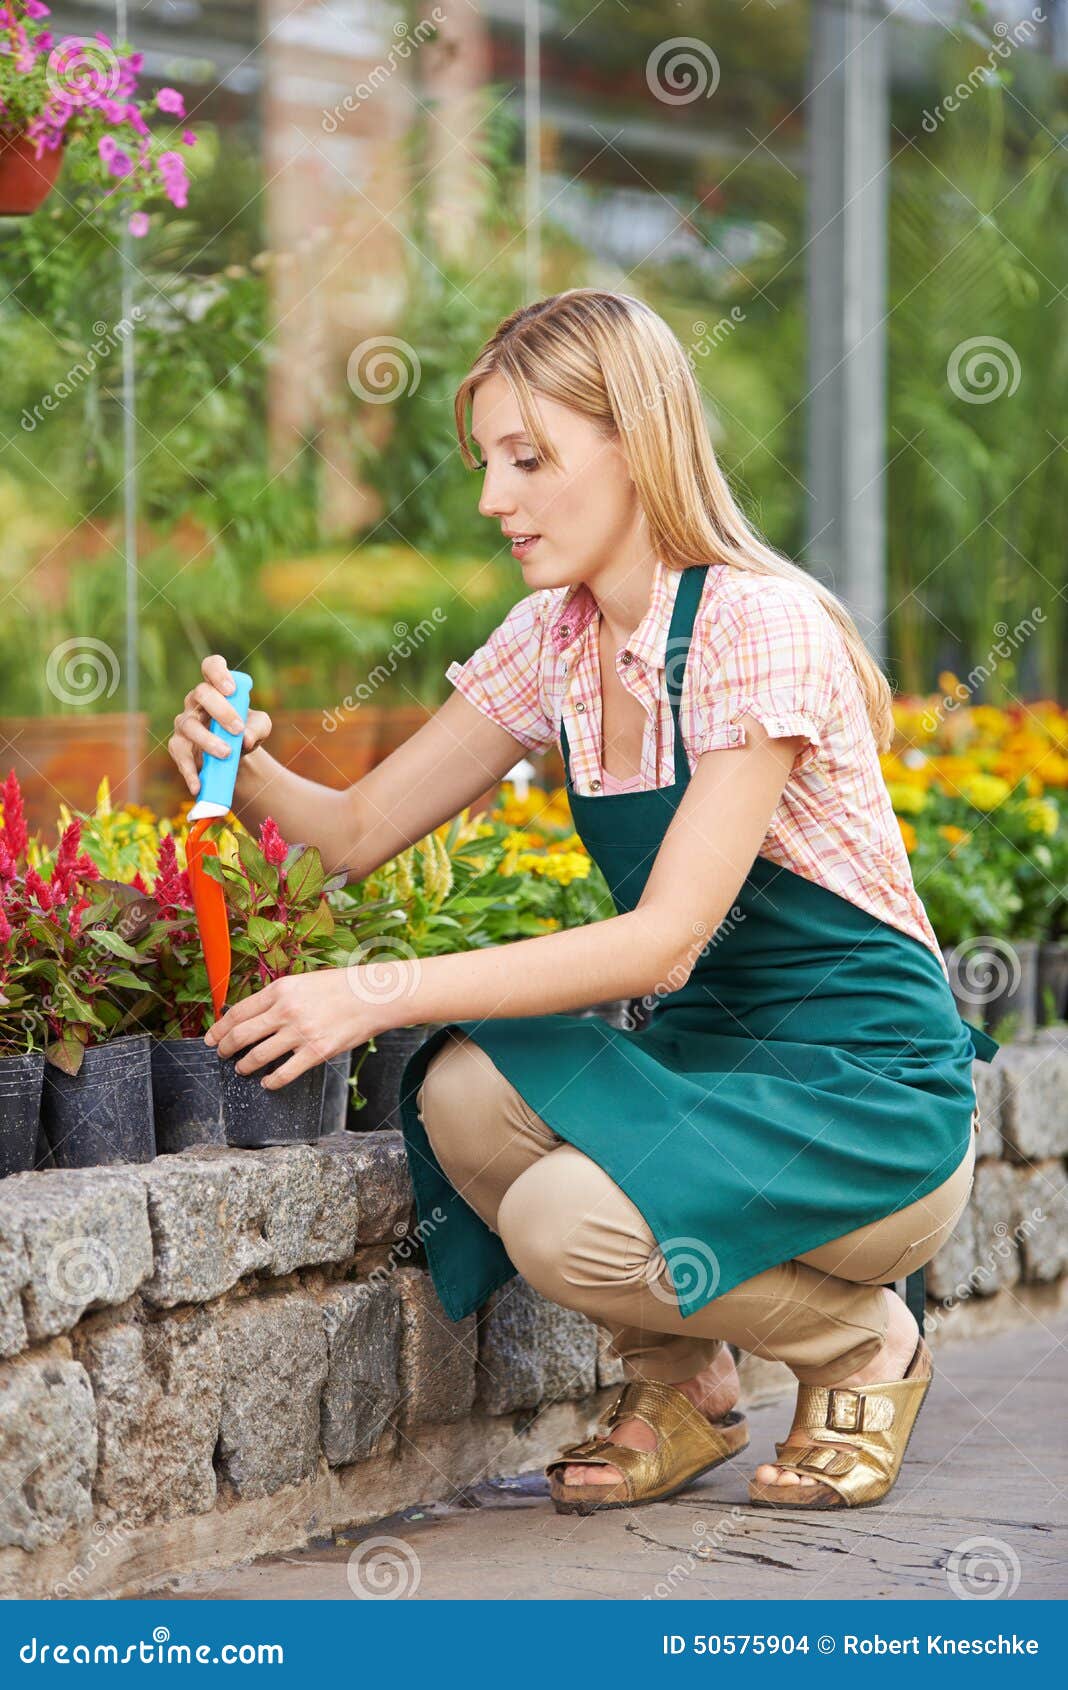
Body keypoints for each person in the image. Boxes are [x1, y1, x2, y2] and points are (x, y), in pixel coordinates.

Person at [170, 289, 998, 1515]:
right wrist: (239, 768)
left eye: (530, 458)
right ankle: (686, 1387)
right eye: (490, 463)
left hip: (863, 1095)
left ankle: (864, 1342)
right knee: (458, 1088)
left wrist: (373, 991)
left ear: (637, 442)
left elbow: (662, 941)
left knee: (562, 1222)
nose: (496, 498)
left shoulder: (754, 626)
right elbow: (351, 833)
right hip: (713, 1075)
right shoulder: (553, 638)